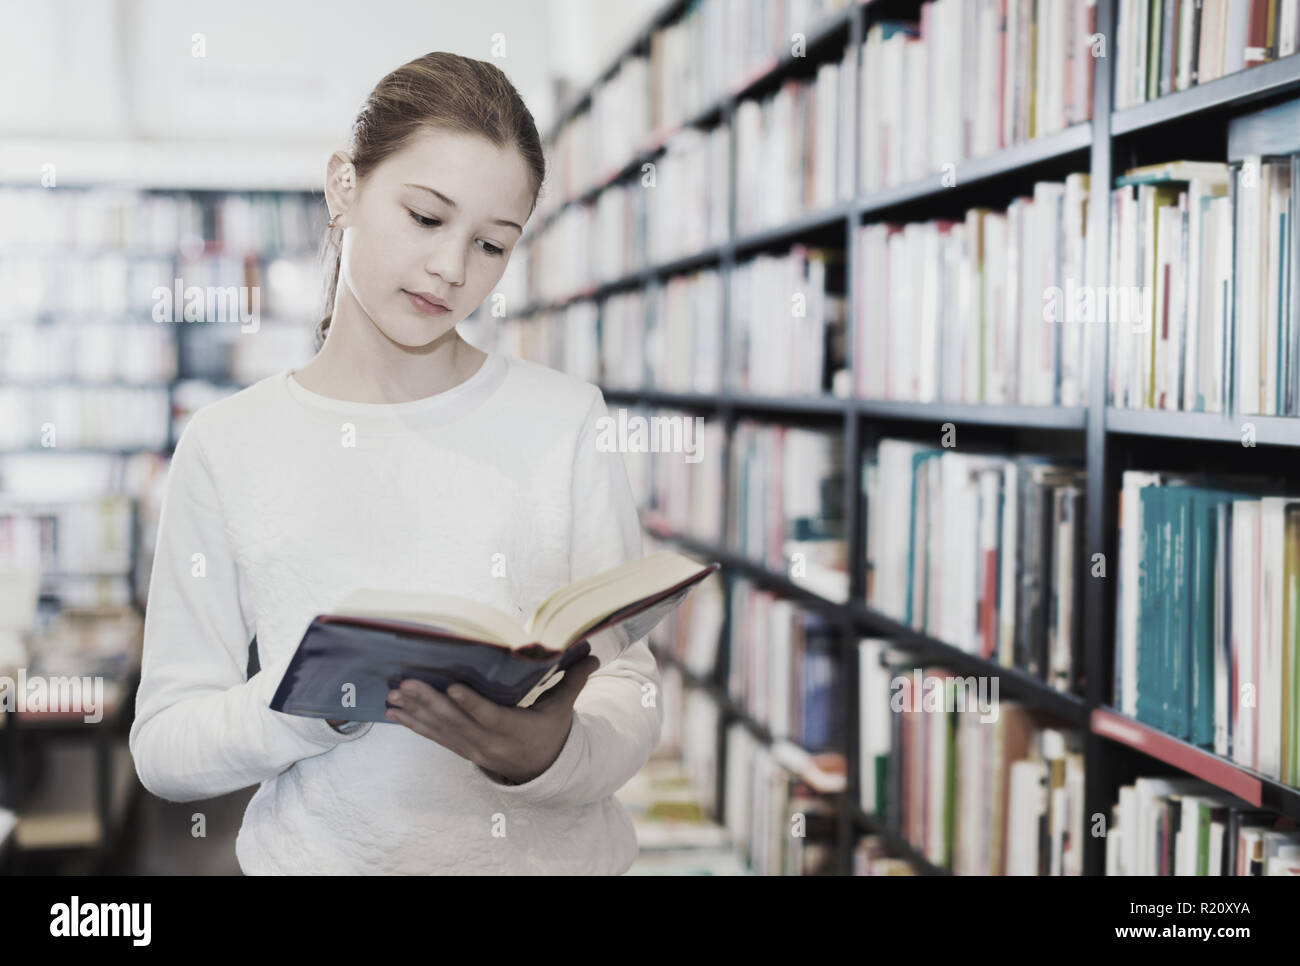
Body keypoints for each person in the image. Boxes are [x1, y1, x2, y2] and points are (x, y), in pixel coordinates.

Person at [127, 51, 662, 875]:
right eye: (425, 217)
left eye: (491, 244)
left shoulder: (563, 418)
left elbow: (633, 686)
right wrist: (312, 705)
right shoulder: (228, 444)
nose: (453, 268)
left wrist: (546, 754)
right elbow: (165, 747)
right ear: (345, 185)